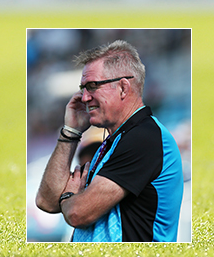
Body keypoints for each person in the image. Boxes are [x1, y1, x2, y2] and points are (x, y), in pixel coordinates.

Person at [34, 40, 184, 242]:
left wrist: (70, 197)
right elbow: (46, 201)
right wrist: (70, 132)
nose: (84, 98)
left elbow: (78, 214)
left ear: (123, 87)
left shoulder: (144, 137)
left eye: (92, 86)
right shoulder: (117, 139)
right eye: (82, 88)